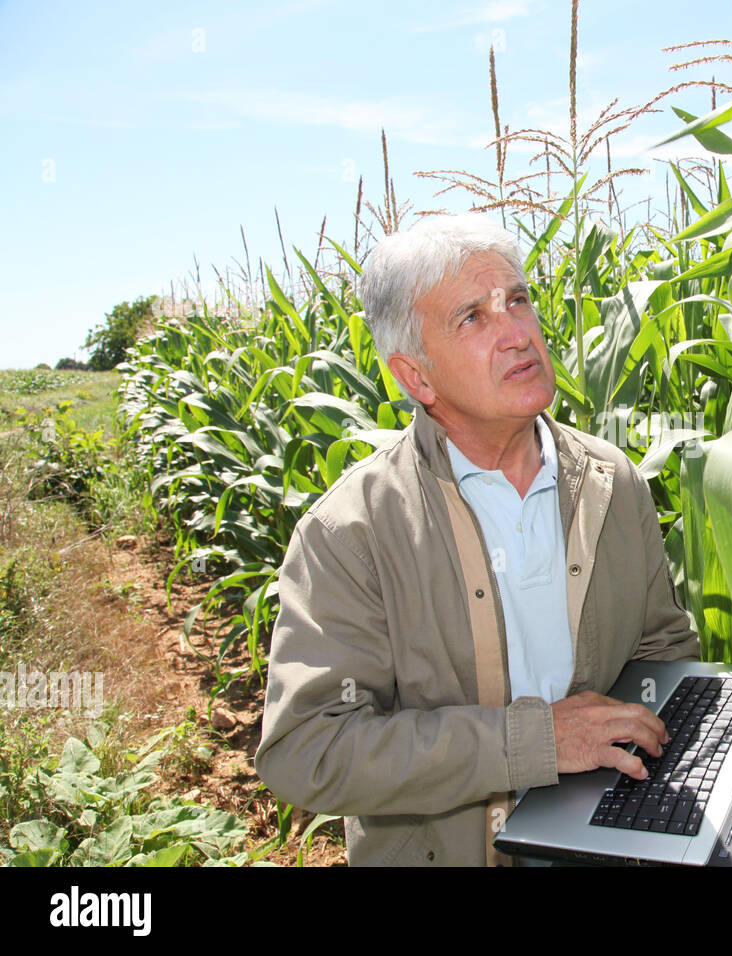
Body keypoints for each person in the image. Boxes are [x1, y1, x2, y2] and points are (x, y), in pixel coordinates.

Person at [254, 214, 699, 866]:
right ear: (417, 377)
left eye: (518, 300)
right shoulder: (349, 534)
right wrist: (534, 742)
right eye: (473, 317)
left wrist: (710, 760)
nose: (519, 333)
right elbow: (309, 748)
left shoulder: (613, 481)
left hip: (609, 846)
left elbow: (661, 649)